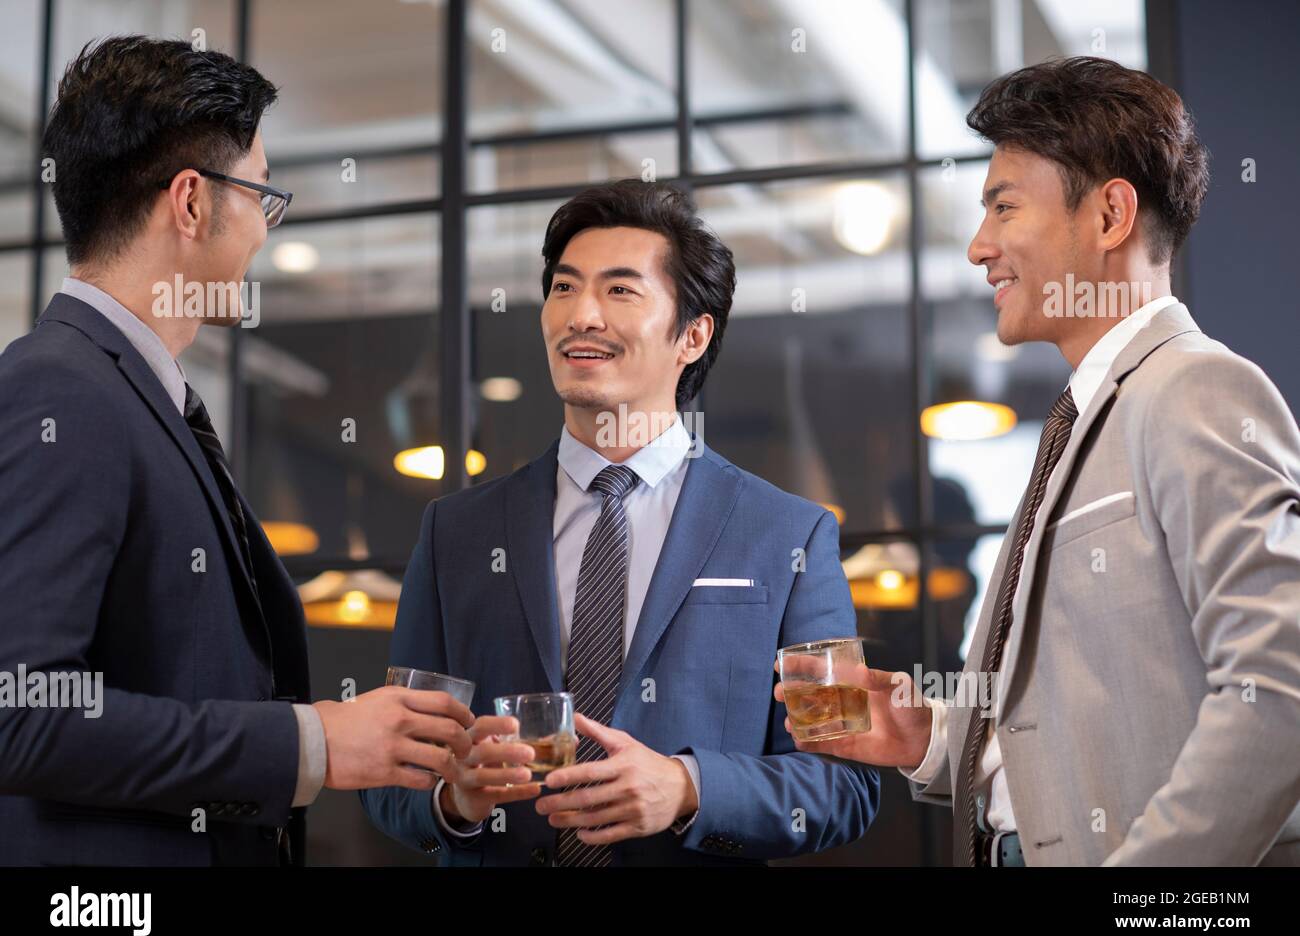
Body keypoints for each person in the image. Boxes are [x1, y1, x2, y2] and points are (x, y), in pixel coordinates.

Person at [778, 56, 1300, 866]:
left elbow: (1281, 690)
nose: (979, 247)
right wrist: (933, 738)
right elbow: (1082, 714)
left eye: (1003, 207)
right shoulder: (1082, 418)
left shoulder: (1197, 389)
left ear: (1110, 215)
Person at [0, 35, 473, 867]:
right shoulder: (61, 390)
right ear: (190, 203)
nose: (263, 227)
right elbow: (21, 712)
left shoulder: (137, 394)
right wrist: (312, 744)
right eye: (261, 194)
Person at [361, 179, 879, 866]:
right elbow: (391, 766)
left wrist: (689, 787)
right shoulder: (455, 532)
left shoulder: (790, 535)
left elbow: (844, 782)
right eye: (565, 288)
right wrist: (455, 798)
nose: (581, 315)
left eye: (620, 291)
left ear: (693, 335)